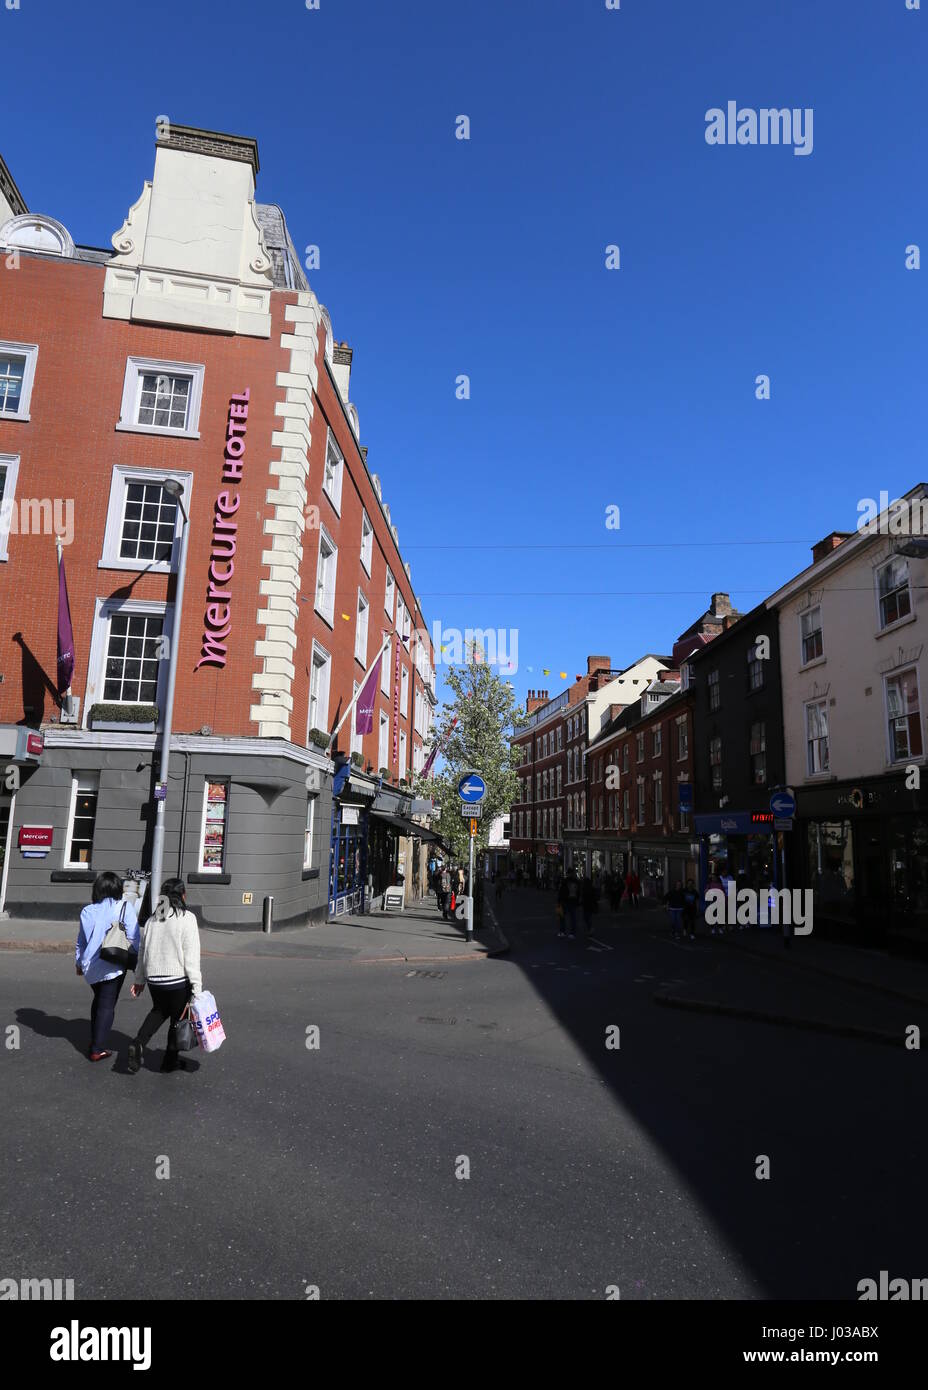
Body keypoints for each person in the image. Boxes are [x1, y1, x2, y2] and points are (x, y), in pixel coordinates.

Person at [129, 878, 203, 1075]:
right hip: (177, 981)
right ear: (183, 895)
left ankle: (138, 1043)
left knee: (159, 1011)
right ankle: (169, 1062)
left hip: (154, 980)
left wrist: (139, 979)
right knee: (177, 1021)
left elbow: (142, 951)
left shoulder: (152, 920)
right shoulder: (187, 918)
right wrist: (197, 989)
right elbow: (191, 957)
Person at [75, 871, 140, 1063]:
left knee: (99, 999)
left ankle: (95, 1040)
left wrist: (78, 962)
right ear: (118, 889)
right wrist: (135, 961)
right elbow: (134, 938)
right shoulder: (124, 907)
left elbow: (81, 941)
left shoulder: (87, 911)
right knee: (107, 1005)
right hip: (113, 963)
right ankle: (98, 1049)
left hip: (90, 965)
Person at [558, 871, 581, 938]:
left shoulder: (565, 881)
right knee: (572, 917)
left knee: (562, 916)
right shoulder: (576, 881)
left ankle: (563, 931)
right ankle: (572, 932)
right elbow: (578, 892)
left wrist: (559, 901)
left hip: (565, 900)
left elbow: (561, 891)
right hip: (573, 900)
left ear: (567, 874)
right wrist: (578, 901)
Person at [581, 874, 598, 939]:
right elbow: (594, 898)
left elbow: (583, 897)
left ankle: (590, 929)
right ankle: (590, 929)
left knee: (586, 918)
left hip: (586, 905)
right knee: (588, 917)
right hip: (590, 905)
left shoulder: (584, 889)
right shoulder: (591, 888)